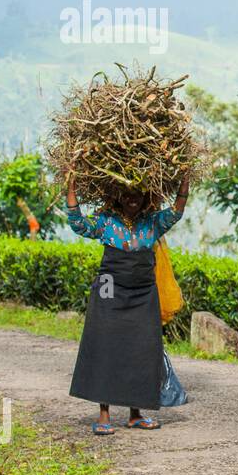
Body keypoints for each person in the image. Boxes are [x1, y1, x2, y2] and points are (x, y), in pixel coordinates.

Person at [66, 174, 189, 434]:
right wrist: (71, 184)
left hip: (144, 291)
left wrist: (185, 179)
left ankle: (136, 414)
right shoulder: (105, 222)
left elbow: (177, 211)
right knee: (106, 345)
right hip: (110, 286)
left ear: (146, 197)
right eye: (127, 194)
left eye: (138, 194)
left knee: (143, 349)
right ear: (117, 197)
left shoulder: (153, 223)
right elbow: (77, 222)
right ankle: (104, 415)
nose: (132, 199)